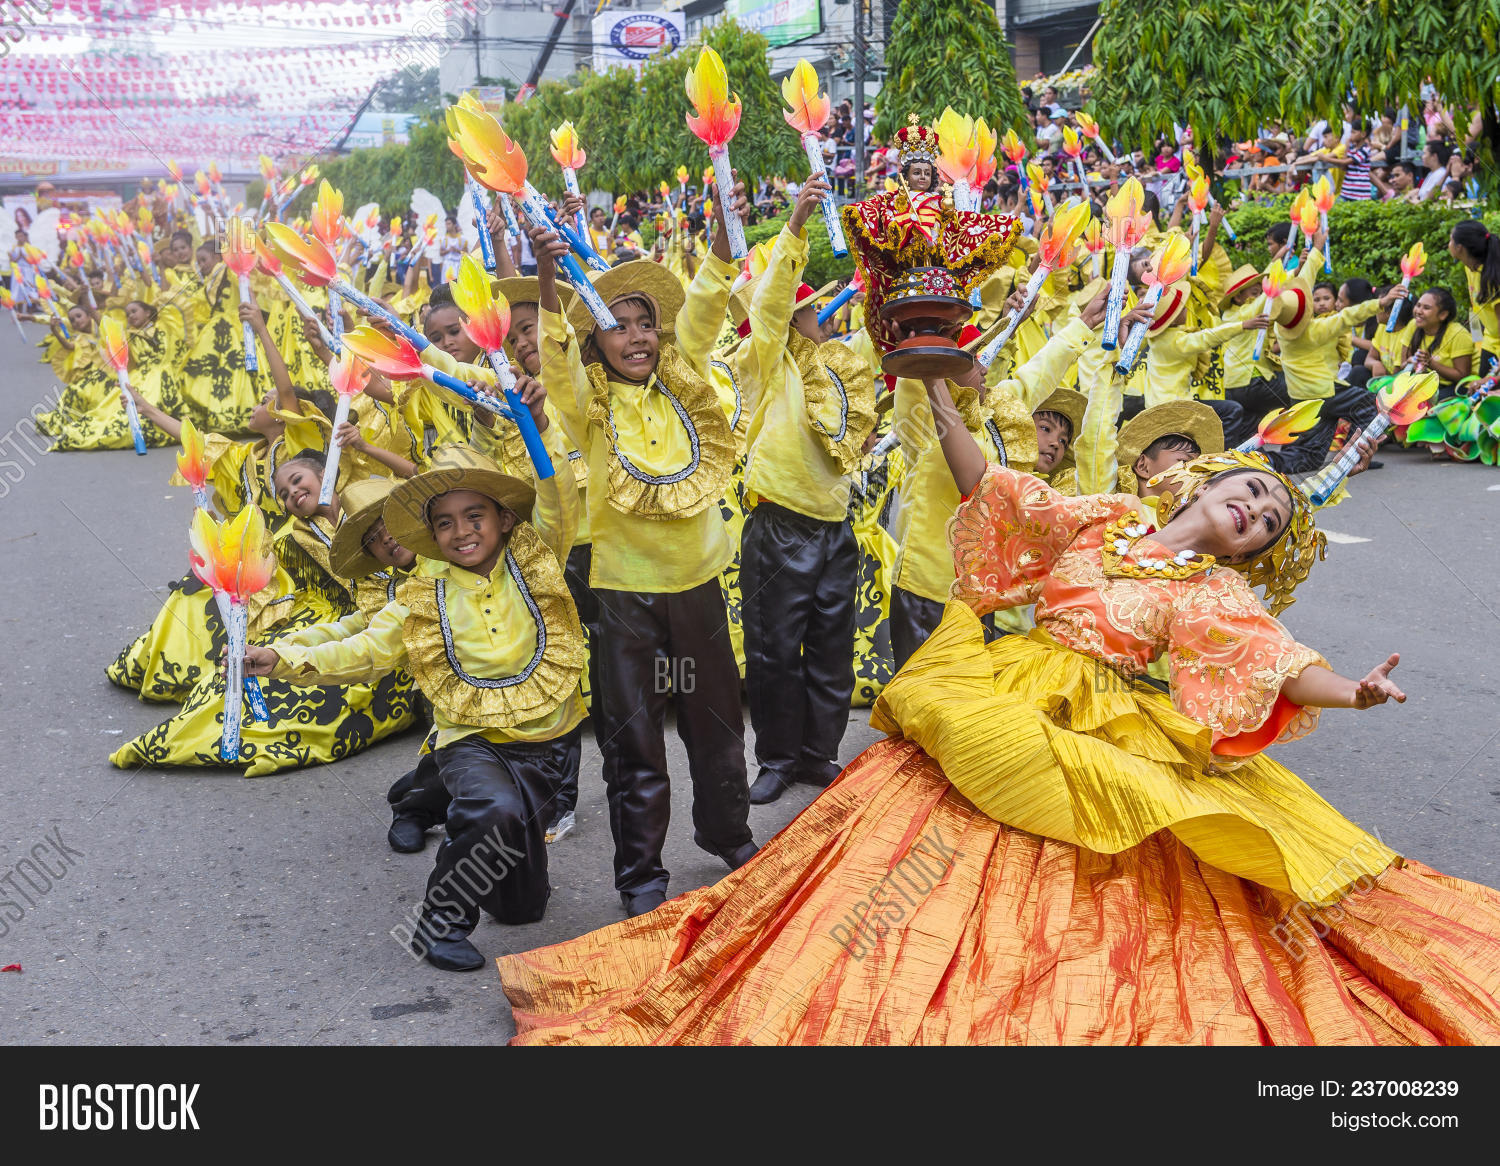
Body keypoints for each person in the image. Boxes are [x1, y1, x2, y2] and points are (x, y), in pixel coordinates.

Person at [495, 438, 1500, 1045]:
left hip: (1089, 729)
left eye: (1267, 520)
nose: (1253, 510)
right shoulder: (1104, 514)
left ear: (1250, 549)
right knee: (894, 843)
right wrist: (942, 413)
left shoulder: (1221, 595)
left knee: (1081, 886)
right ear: (1209, 481)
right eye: (1250, 492)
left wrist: (1357, 693)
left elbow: (1281, 665)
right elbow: (1005, 495)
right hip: (996, 689)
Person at [245, 433, 584, 972]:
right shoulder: (423, 596)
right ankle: (439, 922)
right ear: (430, 536)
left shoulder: (540, 556)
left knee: (522, 907)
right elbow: (367, 648)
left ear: (504, 519)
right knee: (491, 807)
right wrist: (281, 659)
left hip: (546, 747)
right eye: (444, 523)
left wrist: (536, 421)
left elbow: (562, 493)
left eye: (474, 515)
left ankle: (492, 862)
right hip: (469, 741)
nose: (461, 531)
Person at [528, 184, 758, 918]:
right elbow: (555, 353)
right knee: (635, 749)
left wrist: (727, 218)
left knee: (716, 731)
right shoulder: (587, 401)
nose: (634, 336)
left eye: (644, 324)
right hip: (626, 604)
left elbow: (712, 301)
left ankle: (728, 834)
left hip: (698, 593)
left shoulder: (683, 382)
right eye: (616, 327)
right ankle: (641, 878)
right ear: (597, 342)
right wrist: (544, 275)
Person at [736, 176, 878, 804]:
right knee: (773, 653)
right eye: (804, 312)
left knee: (830, 646)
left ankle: (817, 754)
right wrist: (795, 222)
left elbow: (882, 342)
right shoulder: (765, 363)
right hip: (779, 527)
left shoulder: (839, 365)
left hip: (833, 526)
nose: (816, 319)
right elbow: (764, 311)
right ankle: (775, 758)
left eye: (815, 310)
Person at [1448, 219, 1500, 376]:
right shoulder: (1469, 267)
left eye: (1451, 239)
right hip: (1490, 340)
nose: (1448, 244)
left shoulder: (1493, 279)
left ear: (1460, 247)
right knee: (1480, 393)